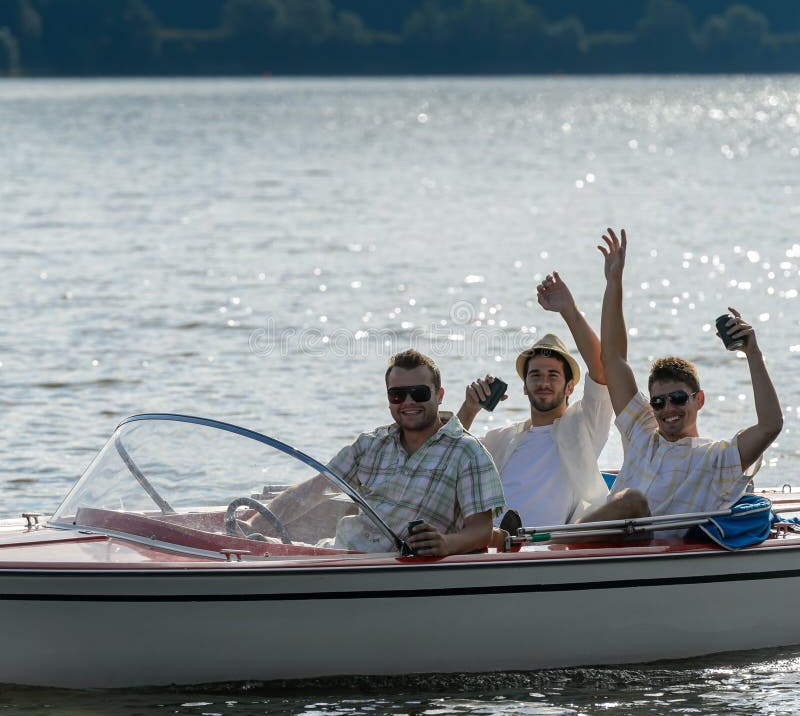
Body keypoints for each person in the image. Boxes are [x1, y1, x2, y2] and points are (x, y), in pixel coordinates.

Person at [583, 228, 783, 528]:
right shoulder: (641, 434)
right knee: (623, 498)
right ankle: (555, 545)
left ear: (699, 400)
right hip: (599, 545)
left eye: (677, 399)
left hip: (652, 554)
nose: (668, 410)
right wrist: (614, 282)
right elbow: (613, 360)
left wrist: (752, 354)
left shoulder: (716, 459)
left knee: (633, 501)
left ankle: (557, 546)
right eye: (659, 402)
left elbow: (770, 426)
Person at [254, 349, 505, 556]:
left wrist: (445, 544)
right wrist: (255, 524)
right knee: (256, 544)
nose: (408, 402)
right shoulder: (370, 444)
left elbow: (481, 531)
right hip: (340, 557)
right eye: (397, 395)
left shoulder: (468, 451)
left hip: (393, 568)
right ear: (388, 399)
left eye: (419, 393)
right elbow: (315, 489)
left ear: (439, 396)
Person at [457, 272, 613, 539]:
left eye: (553, 375)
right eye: (535, 375)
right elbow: (449, 456)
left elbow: (603, 369)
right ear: (524, 386)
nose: (543, 382)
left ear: (570, 387)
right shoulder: (503, 438)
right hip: (489, 546)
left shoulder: (582, 426)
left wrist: (568, 310)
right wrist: (469, 409)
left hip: (544, 547)